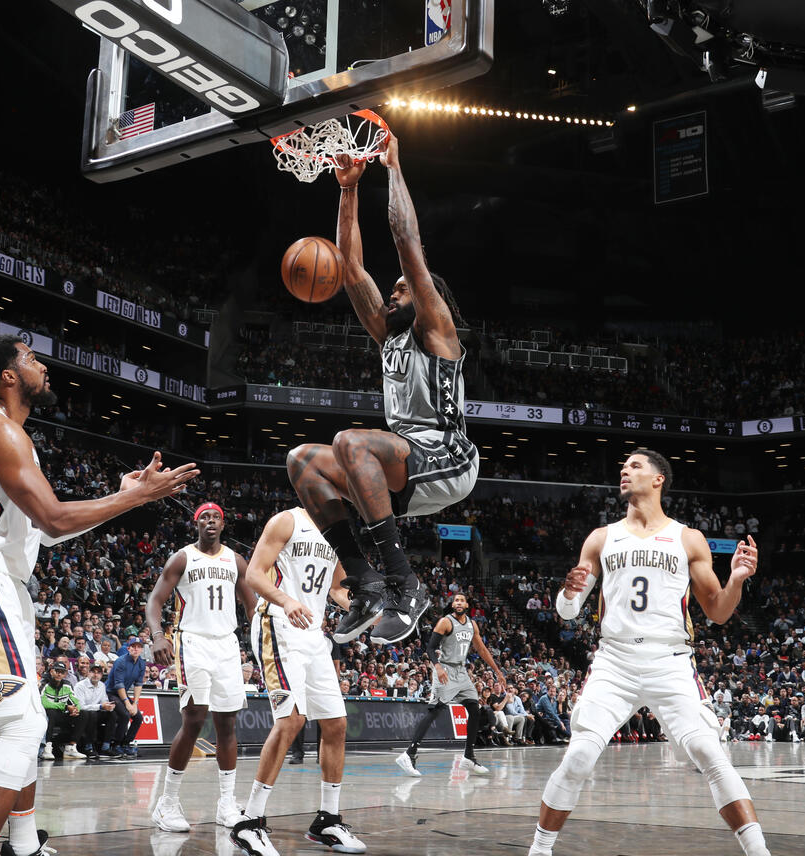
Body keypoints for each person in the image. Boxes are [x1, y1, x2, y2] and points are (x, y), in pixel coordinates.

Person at [0, 334, 197, 856]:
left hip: (0, 586)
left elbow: (45, 530)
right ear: (8, 376)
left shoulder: (12, 437)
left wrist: (122, 496)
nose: (41, 364)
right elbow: (52, 515)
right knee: (23, 726)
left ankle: (23, 846)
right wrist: (133, 496)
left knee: (27, 722)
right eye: (29, 358)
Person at [527, 450, 771, 856]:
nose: (625, 470)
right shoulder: (601, 537)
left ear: (659, 479)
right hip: (615, 661)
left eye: (635, 466)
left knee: (709, 751)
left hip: (669, 660)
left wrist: (738, 580)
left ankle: (759, 851)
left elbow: (718, 611)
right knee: (580, 756)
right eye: (622, 466)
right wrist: (568, 593)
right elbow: (567, 611)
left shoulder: (687, 538)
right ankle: (539, 849)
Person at [287, 132, 478, 646]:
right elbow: (350, 271)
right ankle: (366, 582)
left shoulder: (436, 327)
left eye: (401, 289)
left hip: (449, 458)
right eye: (391, 290)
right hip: (402, 468)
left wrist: (393, 170)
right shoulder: (387, 334)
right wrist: (348, 190)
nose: (393, 295)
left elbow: (405, 242)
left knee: (350, 441)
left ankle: (405, 584)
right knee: (302, 460)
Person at [226, 506, 366, 856]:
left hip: (314, 631)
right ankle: (249, 823)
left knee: (335, 724)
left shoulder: (336, 532)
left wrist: (363, 607)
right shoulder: (287, 520)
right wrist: (286, 600)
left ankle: (328, 820)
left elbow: (336, 588)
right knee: (292, 720)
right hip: (278, 623)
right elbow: (254, 575)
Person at [147, 503, 256, 834]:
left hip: (226, 644)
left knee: (227, 724)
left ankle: (226, 804)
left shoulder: (236, 560)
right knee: (193, 720)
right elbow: (154, 601)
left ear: (223, 524)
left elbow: (252, 606)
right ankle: (166, 805)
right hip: (191, 641)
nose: (210, 521)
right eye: (204, 517)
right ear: (196, 524)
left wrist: (258, 647)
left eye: (216, 517)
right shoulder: (182, 557)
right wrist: (157, 636)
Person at [396, 592, 505, 777]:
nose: (459, 602)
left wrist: (497, 671)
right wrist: (437, 667)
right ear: (452, 604)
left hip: (461, 672)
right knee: (435, 710)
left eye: (462, 600)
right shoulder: (445, 622)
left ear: (467, 604)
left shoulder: (472, 625)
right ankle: (409, 754)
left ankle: (468, 757)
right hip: (445, 670)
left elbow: (482, 649)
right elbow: (429, 648)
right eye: (456, 600)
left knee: (475, 709)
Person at [39, 661, 84, 761]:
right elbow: (44, 703)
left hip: (61, 715)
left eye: (62, 672)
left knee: (83, 714)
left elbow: (75, 701)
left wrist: (75, 710)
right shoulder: (44, 684)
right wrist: (66, 707)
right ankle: (47, 748)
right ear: (51, 671)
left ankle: (71, 748)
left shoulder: (67, 685)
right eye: (57, 671)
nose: (59, 674)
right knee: (51, 712)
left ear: (65, 674)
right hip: (45, 716)